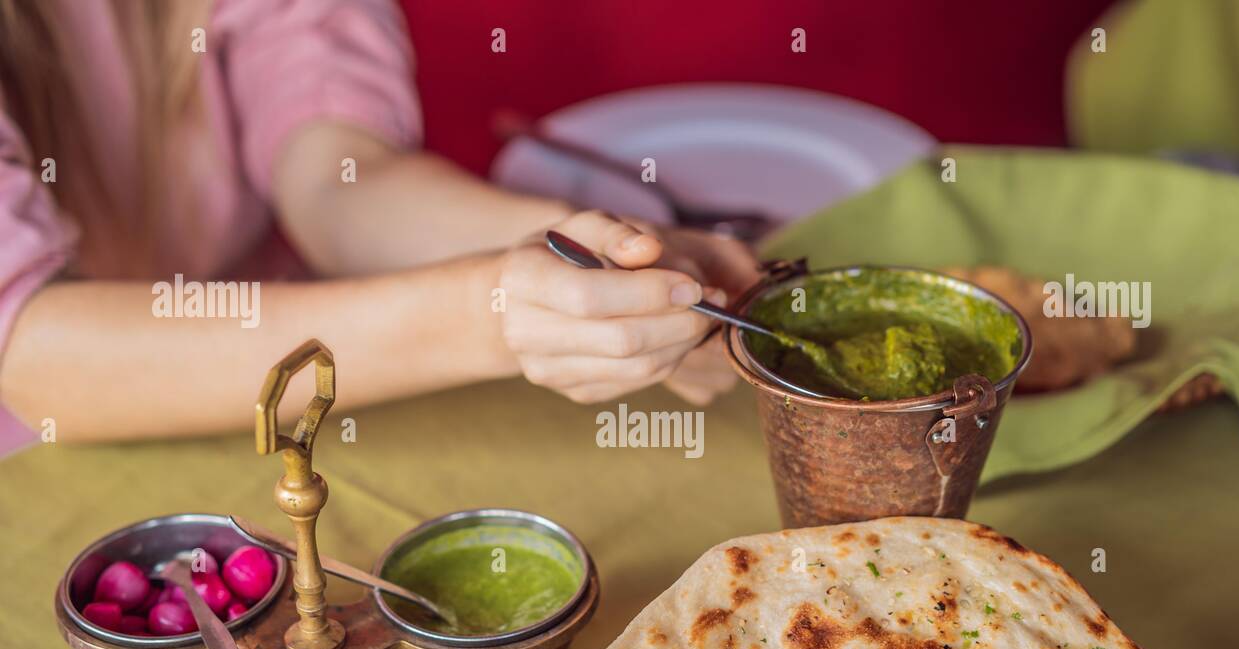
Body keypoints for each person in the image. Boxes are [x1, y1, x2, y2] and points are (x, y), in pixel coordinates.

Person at [0, 0, 756, 442]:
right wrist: (491, 313)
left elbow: (338, 180)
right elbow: (37, 352)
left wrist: (586, 252)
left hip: (311, 418)